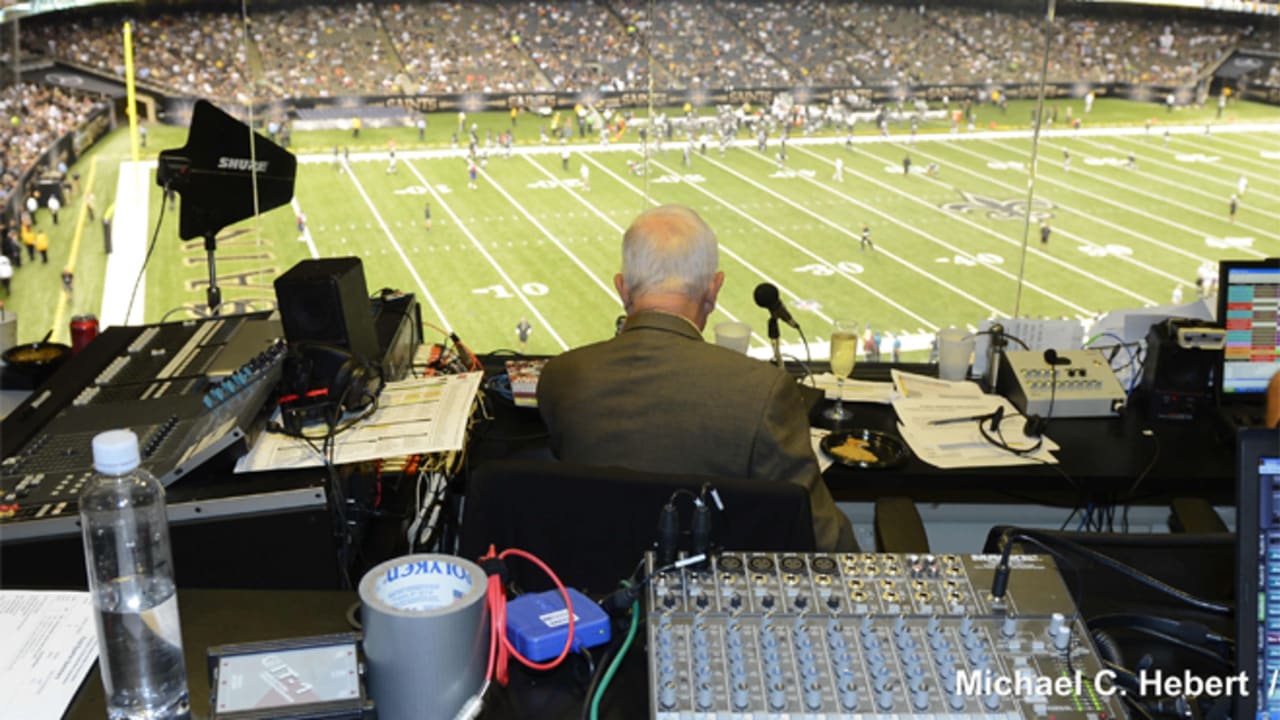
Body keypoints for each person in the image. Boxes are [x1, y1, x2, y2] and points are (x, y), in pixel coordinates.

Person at [536, 205, 855, 552]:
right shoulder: (764, 391)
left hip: (591, 591)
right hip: (713, 592)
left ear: (622, 289)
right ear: (714, 289)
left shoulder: (560, 377)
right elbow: (822, 535)